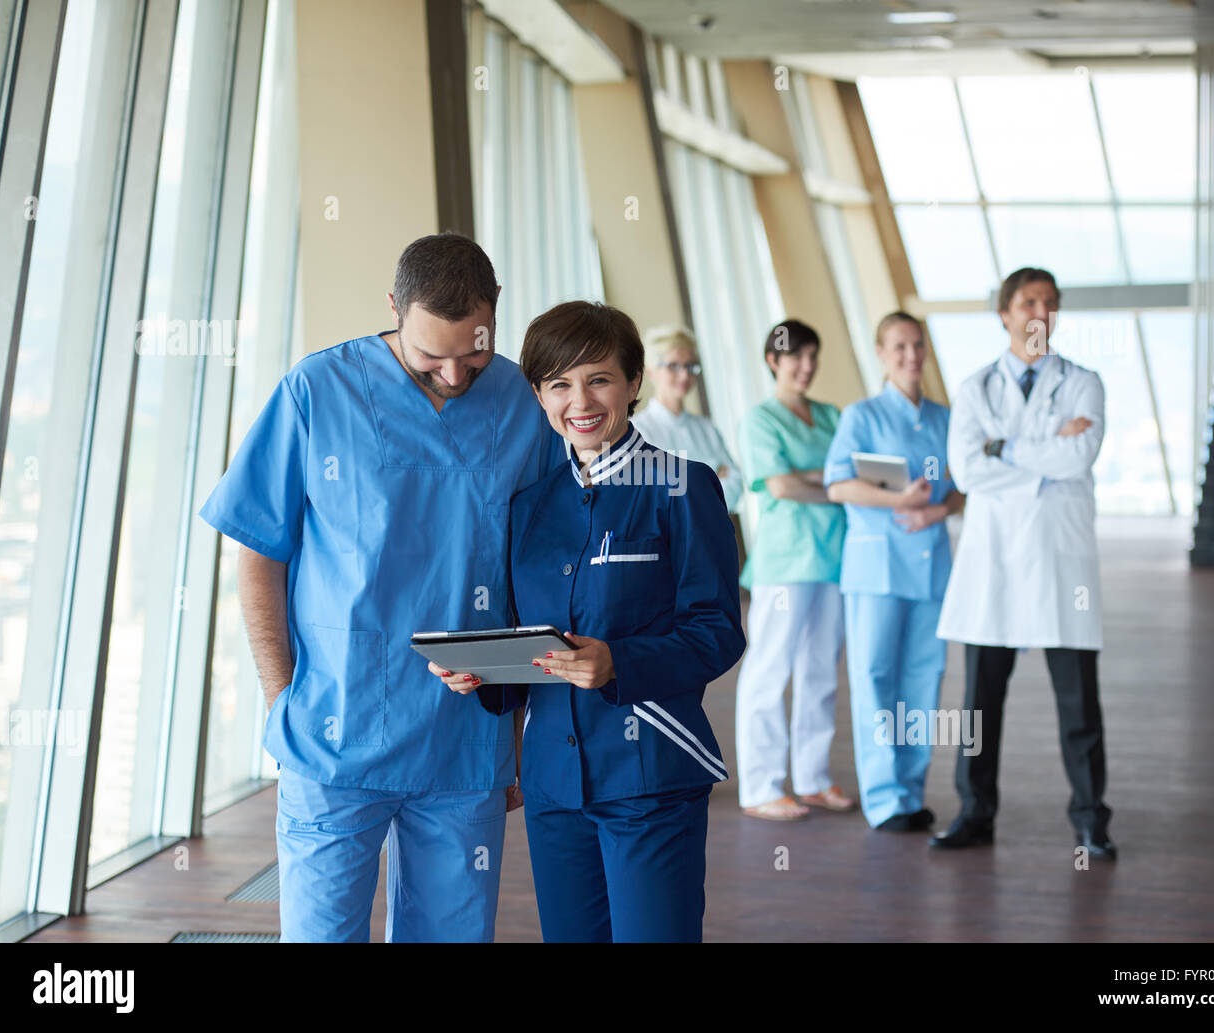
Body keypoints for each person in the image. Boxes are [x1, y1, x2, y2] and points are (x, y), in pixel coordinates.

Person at [199, 233, 564, 942]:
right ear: (393, 309)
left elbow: (540, 575)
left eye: (475, 351)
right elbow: (258, 554)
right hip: (334, 732)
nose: (457, 374)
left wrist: (519, 731)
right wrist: (283, 701)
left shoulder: (525, 405)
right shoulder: (316, 390)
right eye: (432, 356)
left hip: (465, 743)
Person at [433, 301, 745, 943]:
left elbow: (717, 629)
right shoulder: (529, 506)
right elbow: (528, 638)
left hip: (650, 770)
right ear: (539, 396)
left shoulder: (684, 489)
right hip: (554, 781)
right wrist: (484, 674)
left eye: (599, 378)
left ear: (634, 383)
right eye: (559, 384)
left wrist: (620, 662)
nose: (580, 400)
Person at [930, 267, 1116, 859]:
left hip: (1061, 560)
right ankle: (975, 813)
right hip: (996, 563)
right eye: (1028, 301)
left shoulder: (1084, 382)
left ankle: (1091, 820)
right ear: (1004, 313)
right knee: (980, 705)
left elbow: (1079, 456)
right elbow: (967, 468)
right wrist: (1041, 450)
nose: (1040, 311)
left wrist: (1003, 447)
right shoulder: (974, 387)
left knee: (1079, 704)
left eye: (1050, 303)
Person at [825, 313, 964, 832]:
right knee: (876, 677)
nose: (911, 355)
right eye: (899, 346)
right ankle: (884, 800)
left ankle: (911, 791)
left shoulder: (945, 419)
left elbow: (961, 484)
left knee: (924, 679)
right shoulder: (861, 416)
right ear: (881, 353)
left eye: (917, 345)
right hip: (877, 568)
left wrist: (938, 509)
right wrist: (895, 499)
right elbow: (839, 485)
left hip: (929, 565)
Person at [734, 319, 851, 821]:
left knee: (821, 672)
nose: (805, 366)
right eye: (795, 356)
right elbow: (779, 487)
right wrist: (833, 482)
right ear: (773, 361)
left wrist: (813, 477)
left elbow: (852, 473)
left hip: (834, 560)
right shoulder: (760, 419)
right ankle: (761, 785)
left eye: (812, 356)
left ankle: (813, 778)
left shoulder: (830, 414)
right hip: (784, 564)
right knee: (770, 669)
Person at [631, 325, 743, 512]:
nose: (684, 375)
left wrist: (680, 482)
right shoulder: (637, 430)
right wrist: (712, 477)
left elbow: (735, 487)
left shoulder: (706, 428)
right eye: (673, 366)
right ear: (651, 372)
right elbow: (650, 499)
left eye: (690, 366)